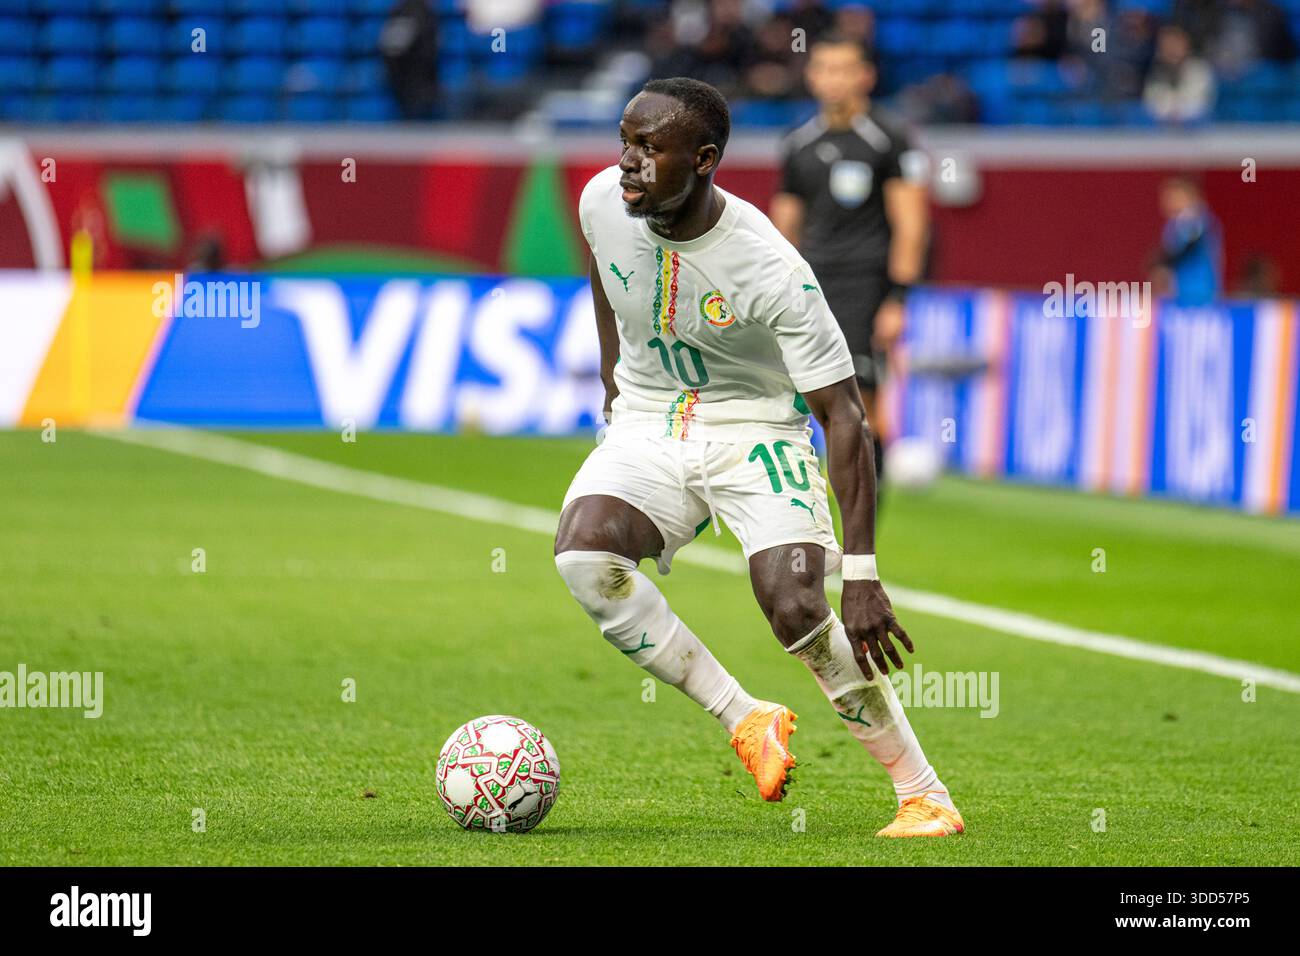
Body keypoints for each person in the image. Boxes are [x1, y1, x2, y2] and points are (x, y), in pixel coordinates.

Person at [553, 77, 963, 838]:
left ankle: (923, 794)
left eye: (650, 149)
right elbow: (605, 280)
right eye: (625, 143)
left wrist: (863, 573)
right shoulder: (601, 205)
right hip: (650, 416)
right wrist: (616, 390)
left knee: (795, 602)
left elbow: (844, 416)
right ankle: (746, 719)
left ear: (704, 159)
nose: (628, 164)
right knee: (584, 558)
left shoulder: (770, 268)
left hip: (756, 427)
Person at [770, 35, 930, 492]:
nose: (834, 79)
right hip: (810, 289)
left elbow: (912, 225)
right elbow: (784, 229)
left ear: (866, 76)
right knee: (797, 401)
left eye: (845, 69)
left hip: (865, 288)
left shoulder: (891, 139)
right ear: (812, 76)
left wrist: (897, 299)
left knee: (862, 405)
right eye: (825, 68)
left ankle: (862, 540)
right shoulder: (799, 143)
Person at [1155, 176, 1223, 306]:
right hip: (1178, 293)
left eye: (1172, 197)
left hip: (1201, 293)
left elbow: (1187, 248)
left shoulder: (1200, 219)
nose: (1167, 202)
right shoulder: (1171, 225)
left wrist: (1162, 264)